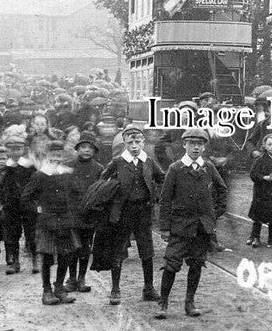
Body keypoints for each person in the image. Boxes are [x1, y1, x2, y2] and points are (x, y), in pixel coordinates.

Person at [155, 127, 228, 320]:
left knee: (196, 264)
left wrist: (213, 215)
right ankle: (163, 303)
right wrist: (164, 227)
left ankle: (190, 302)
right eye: (192, 144)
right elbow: (165, 199)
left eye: (200, 144)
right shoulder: (176, 168)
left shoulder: (209, 167)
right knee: (171, 265)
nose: (196, 148)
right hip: (180, 227)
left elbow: (222, 191)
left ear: (204, 147)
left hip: (202, 228)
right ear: (184, 145)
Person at [97, 124, 165, 306]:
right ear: (124, 144)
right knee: (118, 249)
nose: (134, 145)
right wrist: (112, 194)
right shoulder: (118, 162)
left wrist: (157, 194)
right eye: (130, 142)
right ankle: (115, 289)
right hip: (123, 212)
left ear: (143, 142)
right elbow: (102, 181)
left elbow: (162, 179)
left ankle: (149, 288)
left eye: (137, 141)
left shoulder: (148, 161)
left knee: (146, 250)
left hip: (143, 211)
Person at [23, 138, 81, 306]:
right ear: (47, 155)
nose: (56, 157)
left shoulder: (66, 174)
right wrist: (38, 209)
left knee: (66, 255)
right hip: (47, 221)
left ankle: (59, 288)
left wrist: (73, 210)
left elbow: (76, 193)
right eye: (53, 154)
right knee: (47, 257)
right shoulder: (40, 175)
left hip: (65, 220)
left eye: (59, 154)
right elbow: (26, 198)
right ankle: (46, 290)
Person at [66, 131, 104, 293]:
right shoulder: (69, 166)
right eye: (83, 147)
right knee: (72, 247)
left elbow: (102, 190)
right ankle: (72, 278)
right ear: (77, 149)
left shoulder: (99, 169)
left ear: (94, 150)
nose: (86, 150)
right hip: (72, 213)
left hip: (90, 214)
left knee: (85, 247)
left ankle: (82, 278)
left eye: (89, 147)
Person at [0, 125, 37, 275]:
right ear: (6, 150)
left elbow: (35, 185)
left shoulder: (29, 167)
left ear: (23, 150)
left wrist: (34, 201)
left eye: (18, 149)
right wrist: (3, 202)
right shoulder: (5, 169)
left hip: (27, 205)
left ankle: (34, 260)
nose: (15, 152)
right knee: (12, 235)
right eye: (11, 149)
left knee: (31, 234)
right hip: (11, 206)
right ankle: (15, 262)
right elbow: (0, 187)